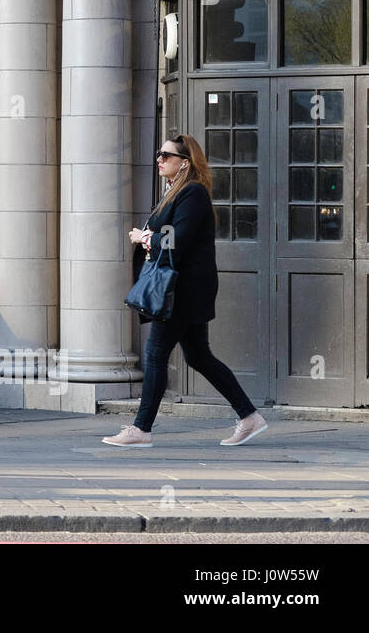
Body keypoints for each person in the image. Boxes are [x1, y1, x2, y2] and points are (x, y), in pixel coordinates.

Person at [103, 134, 267, 448]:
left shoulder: (192, 193)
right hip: (183, 288)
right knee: (199, 356)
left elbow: (176, 240)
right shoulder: (177, 192)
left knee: (155, 355)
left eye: (165, 155)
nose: (159, 160)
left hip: (182, 291)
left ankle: (141, 429)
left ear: (185, 163)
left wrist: (144, 238)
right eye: (158, 153)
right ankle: (249, 417)